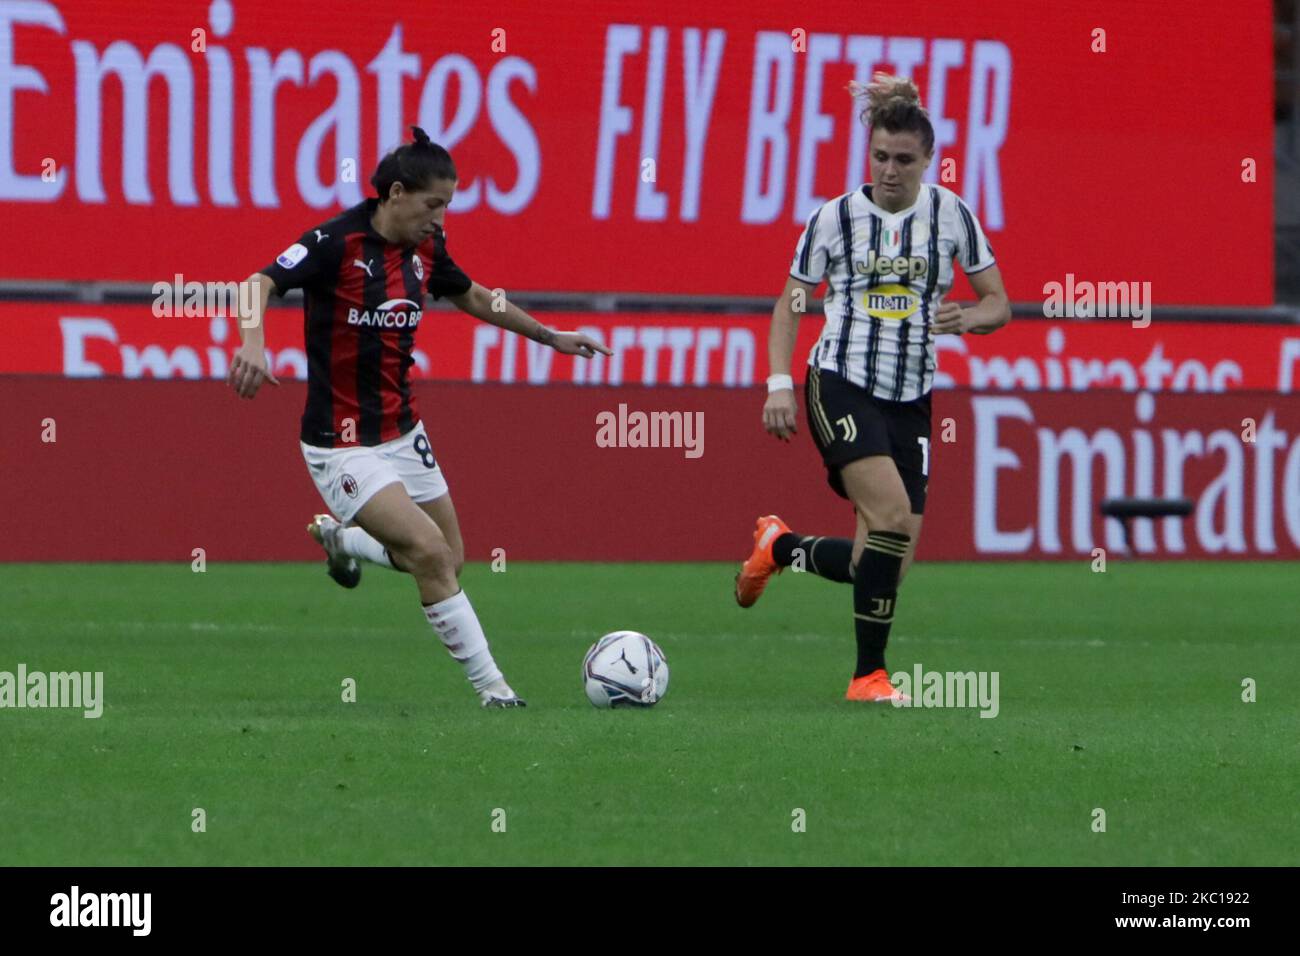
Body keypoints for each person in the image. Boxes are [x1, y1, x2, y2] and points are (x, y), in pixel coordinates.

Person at [227, 127, 610, 708]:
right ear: (397, 193)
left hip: (404, 432)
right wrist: (252, 343)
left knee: (448, 560)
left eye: (448, 205)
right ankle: (495, 691)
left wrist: (548, 335)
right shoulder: (336, 242)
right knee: (429, 555)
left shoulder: (427, 251)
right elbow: (257, 283)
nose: (441, 217)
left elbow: (477, 296)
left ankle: (345, 542)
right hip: (342, 443)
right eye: (434, 204)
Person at [734, 74, 1011, 702]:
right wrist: (779, 383)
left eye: (903, 160)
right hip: (840, 381)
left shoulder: (951, 216)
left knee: (881, 563)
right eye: (880, 156)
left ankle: (780, 548)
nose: (890, 170)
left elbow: (999, 304)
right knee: (888, 516)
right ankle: (868, 677)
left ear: (927, 161)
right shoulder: (833, 219)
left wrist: (968, 317)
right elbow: (791, 305)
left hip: (911, 399)